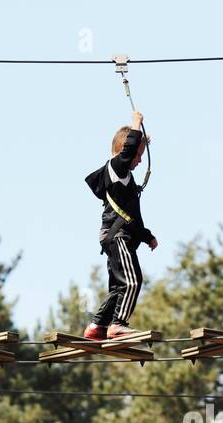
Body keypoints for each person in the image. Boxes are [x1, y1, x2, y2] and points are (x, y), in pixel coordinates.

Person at [83, 111, 157, 339]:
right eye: (137, 155)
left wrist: (147, 236)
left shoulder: (125, 179)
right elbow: (127, 152)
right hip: (117, 236)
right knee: (133, 281)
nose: (140, 160)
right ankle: (117, 325)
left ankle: (97, 326)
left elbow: (132, 216)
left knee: (118, 287)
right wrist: (136, 125)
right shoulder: (116, 169)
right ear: (126, 151)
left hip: (118, 235)